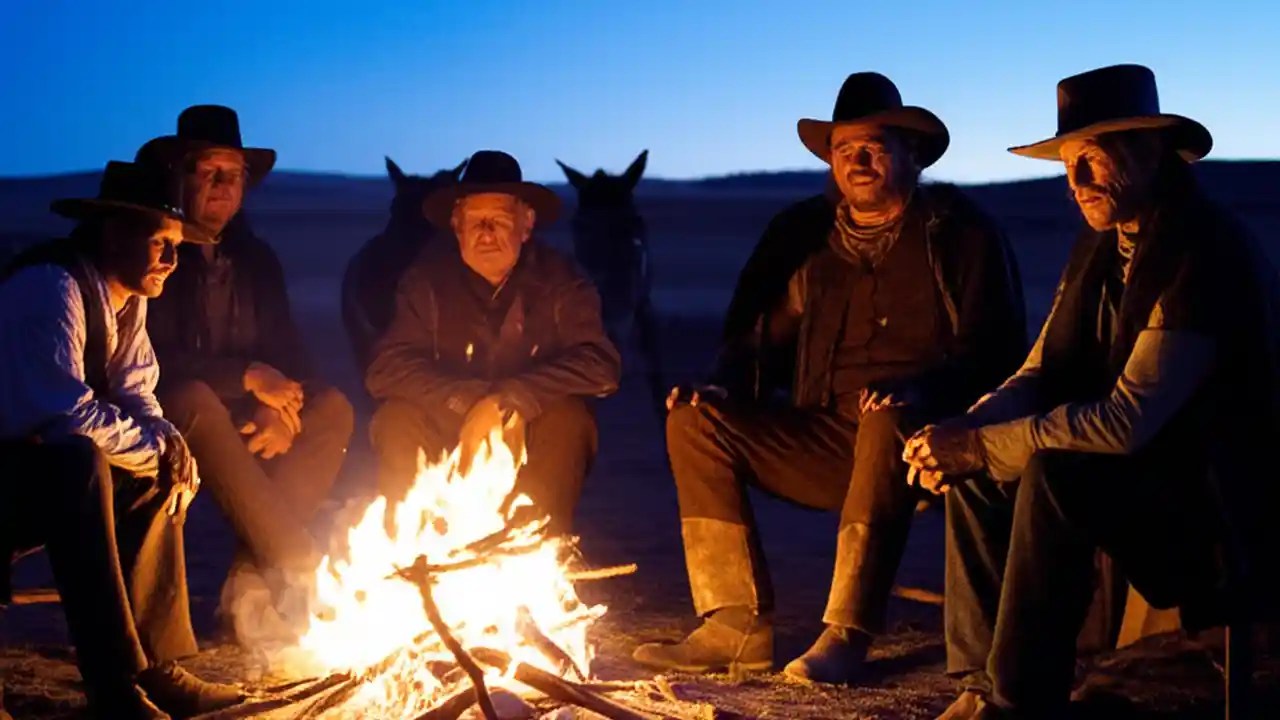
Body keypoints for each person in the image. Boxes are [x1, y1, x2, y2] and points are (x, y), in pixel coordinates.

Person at [904, 64, 1280, 719]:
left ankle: (1022, 700)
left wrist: (983, 446)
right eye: (1068, 165)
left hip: (1215, 500)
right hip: (1145, 475)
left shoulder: (1200, 252)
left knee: (1051, 473)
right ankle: (980, 684)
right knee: (977, 471)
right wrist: (964, 432)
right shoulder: (1101, 251)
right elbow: (1040, 370)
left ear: (1151, 153)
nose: (1075, 184)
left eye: (1092, 162)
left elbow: (1128, 420)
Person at [632, 72, 1027, 684]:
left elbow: (998, 352)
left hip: (925, 438)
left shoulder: (959, 233)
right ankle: (735, 624)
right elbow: (758, 337)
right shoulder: (802, 237)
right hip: (824, 436)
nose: (858, 162)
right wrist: (723, 386)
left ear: (911, 154)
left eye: (873, 147)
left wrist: (924, 392)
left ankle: (847, 630)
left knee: (884, 416)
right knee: (692, 421)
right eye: (844, 151)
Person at [0, 160, 244, 719]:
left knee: (153, 464)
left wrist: (168, 445)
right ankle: (114, 684)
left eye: (177, 245)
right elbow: (63, 416)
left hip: (42, 467)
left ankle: (156, 667)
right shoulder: (51, 288)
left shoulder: (127, 297)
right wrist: (160, 447)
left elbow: (137, 390)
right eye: (160, 242)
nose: (172, 260)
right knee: (81, 461)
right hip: (12, 472)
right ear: (114, 233)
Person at [138, 105, 354, 639]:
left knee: (334, 409)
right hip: (165, 410)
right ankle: (299, 567)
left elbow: (292, 353)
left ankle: (249, 584)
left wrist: (282, 405)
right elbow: (147, 358)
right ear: (178, 174)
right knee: (192, 397)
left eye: (232, 175)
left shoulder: (255, 259)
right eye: (207, 171)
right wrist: (247, 378)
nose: (221, 185)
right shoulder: (155, 249)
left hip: (242, 411)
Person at [366, 150, 620, 534]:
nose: (486, 233)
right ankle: (411, 544)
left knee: (570, 419)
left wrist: (509, 401)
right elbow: (385, 370)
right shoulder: (426, 281)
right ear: (456, 225)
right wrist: (468, 402)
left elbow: (601, 364)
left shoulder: (562, 281)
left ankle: (539, 543)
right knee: (396, 418)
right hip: (445, 433)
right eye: (475, 221)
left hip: (530, 435)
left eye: (499, 220)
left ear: (526, 224)